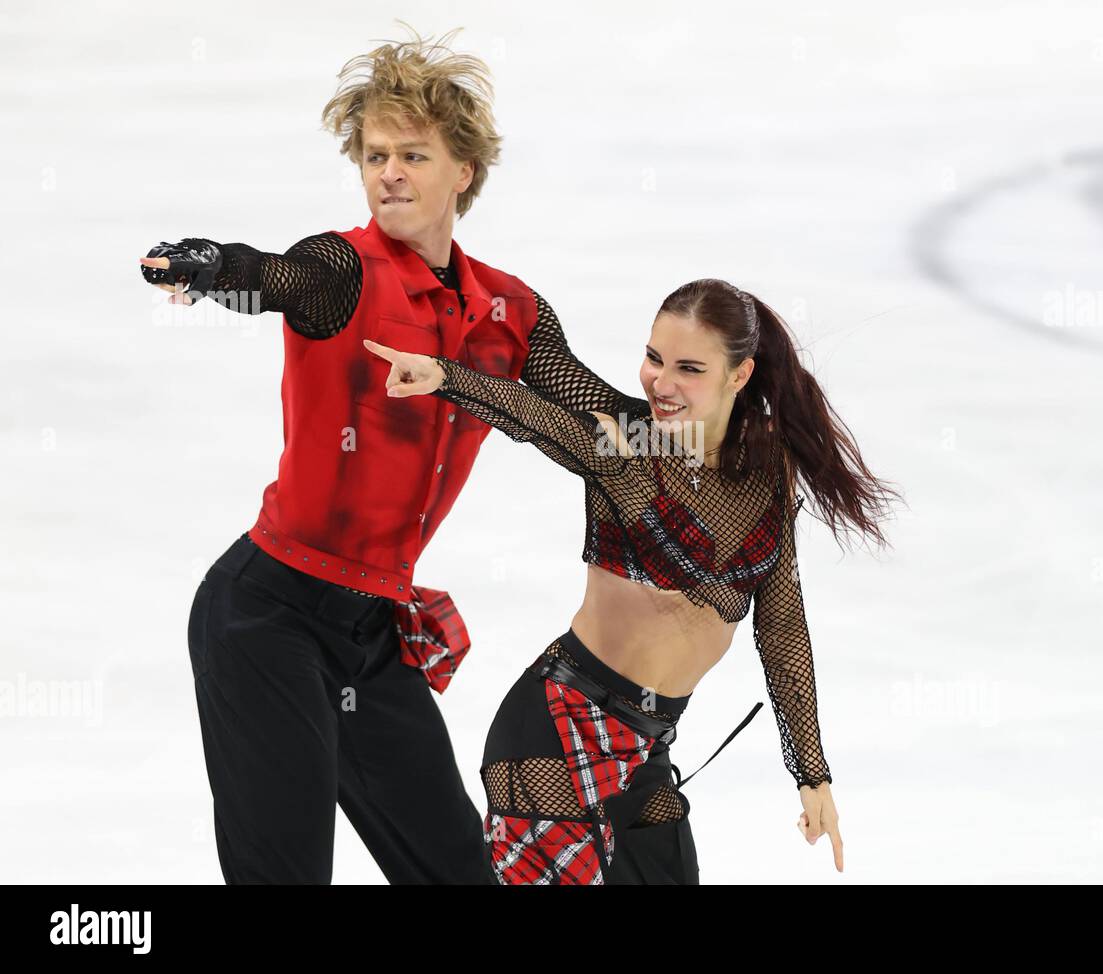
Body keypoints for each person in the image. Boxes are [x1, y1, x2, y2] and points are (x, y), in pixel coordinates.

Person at [140, 25, 646, 884]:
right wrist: (208, 262)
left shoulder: (510, 313)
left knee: (456, 869)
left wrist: (712, 424)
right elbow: (270, 277)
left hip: (372, 633)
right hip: (266, 619)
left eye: (413, 154)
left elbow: (606, 424)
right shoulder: (343, 271)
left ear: (464, 172)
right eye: (375, 155)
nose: (390, 174)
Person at [364, 278, 902, 883]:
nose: (660, 384)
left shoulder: (767, 468)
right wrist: (445, 375)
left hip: (646, 750)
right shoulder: (624, 441)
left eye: (688, 368)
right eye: (653, 359)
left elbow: (779, 626)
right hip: (554, 735)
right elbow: (533, 414)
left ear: (740, 375)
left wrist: (811, 774)